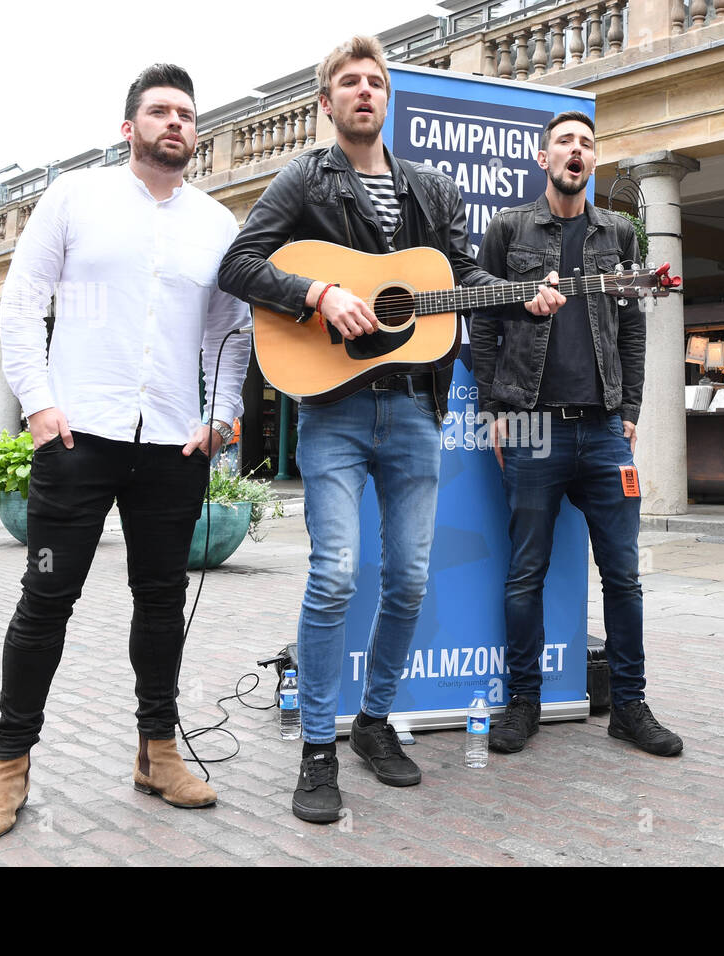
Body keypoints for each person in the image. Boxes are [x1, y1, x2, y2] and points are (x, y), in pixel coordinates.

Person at [217, 35, 554, 824]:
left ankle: (373, 724)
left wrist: (518, 295)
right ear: (326, 103)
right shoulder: (306, 175)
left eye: (376, 81)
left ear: (387, 98)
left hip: (412, 407)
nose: (365, 90)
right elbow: (240, 264)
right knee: (334, 575)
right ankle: (316, 749)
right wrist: (319, 295)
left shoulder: (432, 189)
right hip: (331, 409)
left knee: (407, 579)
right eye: (350, 82)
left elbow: (457, 278)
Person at [0, 65, 251, 843]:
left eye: (187, 114)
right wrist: (42, 403)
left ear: (197, 132)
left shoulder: (216, 224)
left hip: (171, 444)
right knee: (45, 600)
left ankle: (158, 752)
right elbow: (23, 299)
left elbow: (234, 328)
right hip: (78, 436)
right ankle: (8, 766)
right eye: (159, 111)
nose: (175, 123)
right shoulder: (75, 198)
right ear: (129, 127)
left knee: (161, 602)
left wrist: (221, 418)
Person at [470, 111, 682, 758]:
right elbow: (482, 322)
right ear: (544, 158)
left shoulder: (619, 233)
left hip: (603, 429)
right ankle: (522, 704)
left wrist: (632, 409)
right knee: (524, 573)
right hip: (531, 425)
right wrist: (493, 407)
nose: (576, 150)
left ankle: (629, 705)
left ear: (593, 161)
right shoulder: (508, 229)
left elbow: (635, 327)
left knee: (623, 575)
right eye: (565, 141)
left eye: (587, 143)